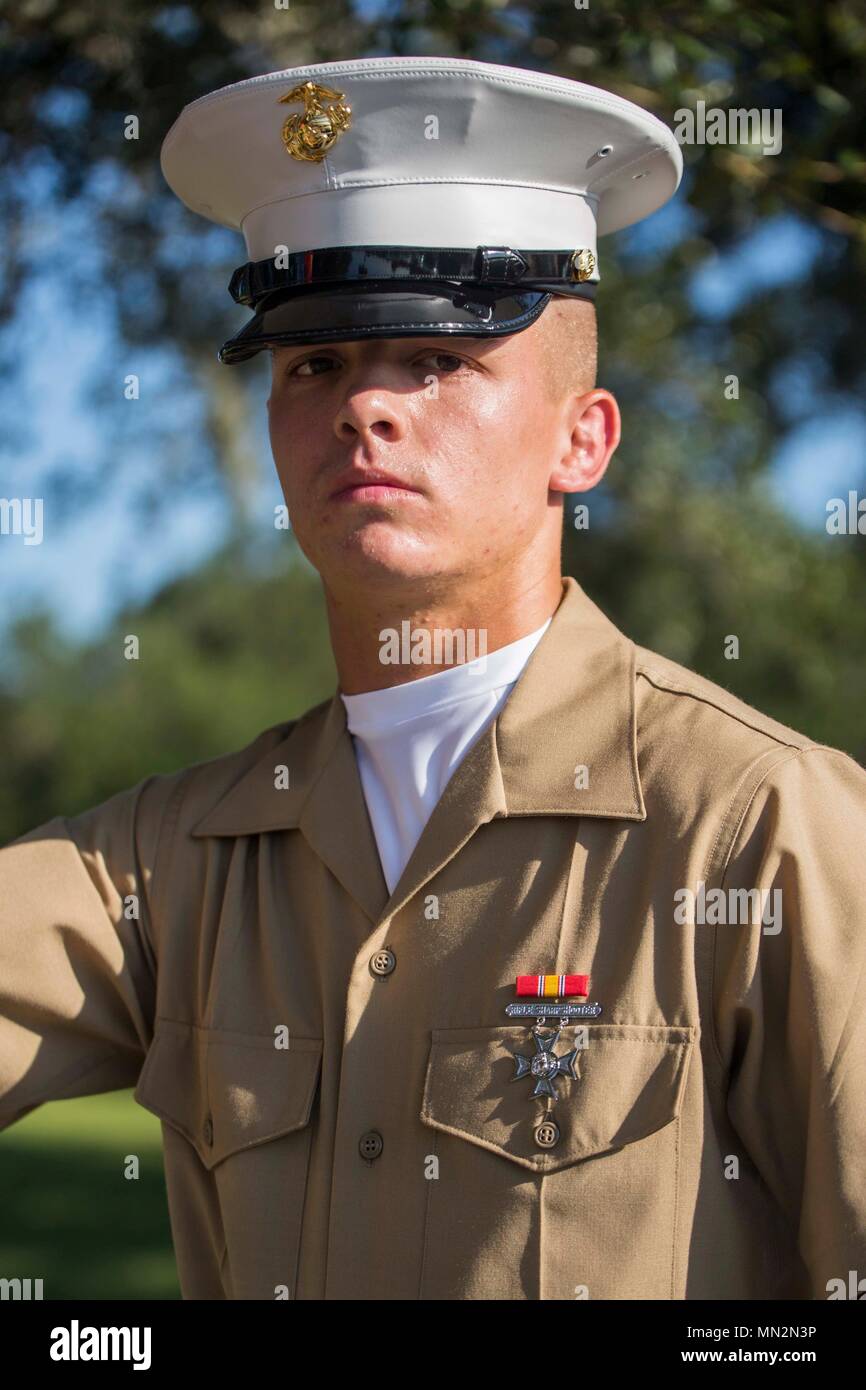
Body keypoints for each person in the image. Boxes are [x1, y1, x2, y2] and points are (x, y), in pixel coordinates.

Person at [1, 56, 864, 1302]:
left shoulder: (757, 829)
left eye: (436, 360)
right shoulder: (176, 858)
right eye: (313, 366)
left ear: (582, 439)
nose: (365, 408)